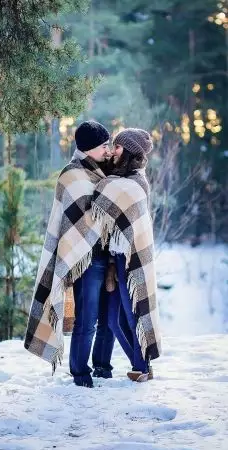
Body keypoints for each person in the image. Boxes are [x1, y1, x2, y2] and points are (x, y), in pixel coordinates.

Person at [24, 120, 116, 388]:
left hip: (108, 257)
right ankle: (80, 373)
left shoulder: (104, 172)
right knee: (86, 320)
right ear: (89, 149)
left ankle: (103, 367)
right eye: (103, 145)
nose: (108, 149)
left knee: (107, 321)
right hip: (83, 260)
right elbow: (77, 220)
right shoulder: (72, 175)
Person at [99, 128, 161, 382]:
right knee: (113, 319)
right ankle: (141, 364)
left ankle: (140, 367)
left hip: (131, 257)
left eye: (118, 147)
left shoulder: (136, 182)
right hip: (116, 257)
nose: (113, 151)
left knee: (133, 313)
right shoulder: (118, 178)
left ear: (129, 152)